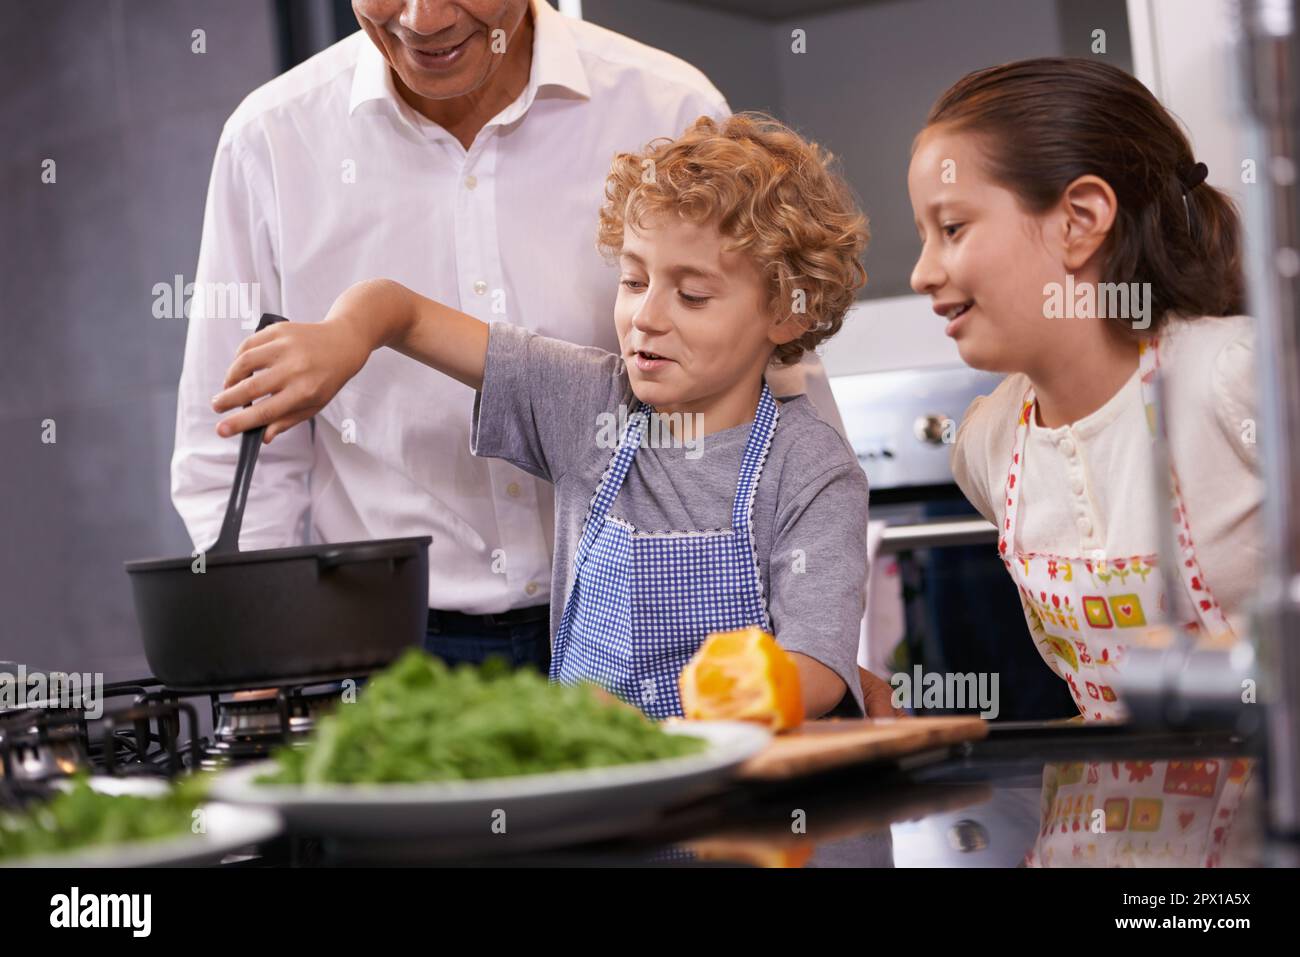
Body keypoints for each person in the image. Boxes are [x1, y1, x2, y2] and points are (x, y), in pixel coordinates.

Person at [172, 0, 842, 674]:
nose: (424, 18)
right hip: (387, 651)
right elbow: (235, 452)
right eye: (632, 282)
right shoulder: (269, 141)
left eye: (690, 294)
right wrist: (260, 663)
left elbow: (781, 380)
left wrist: (821, 647)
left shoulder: (666, 102)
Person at [908, 58, 1261, 721]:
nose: (923, 271)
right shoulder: (989, 445)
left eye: (952, 228)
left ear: (1080, 218)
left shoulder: (1236, 375)